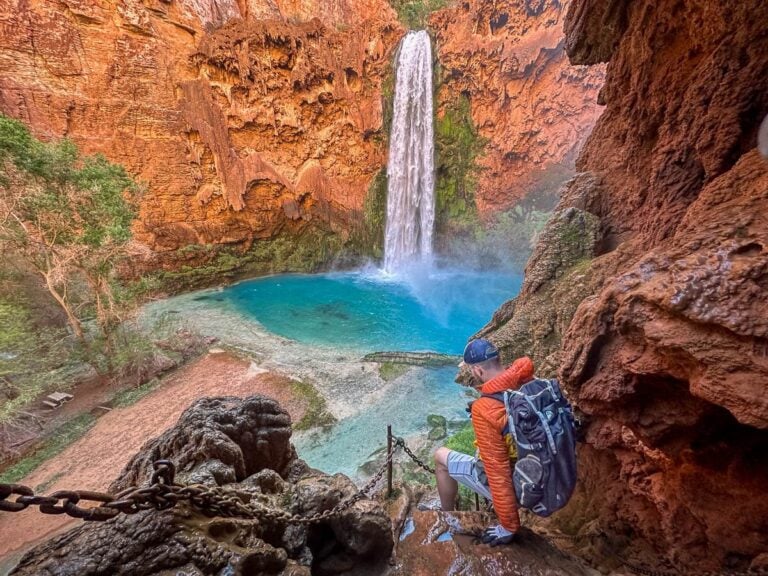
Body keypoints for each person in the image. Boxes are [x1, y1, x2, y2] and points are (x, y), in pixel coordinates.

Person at [434, 338, 534, 546]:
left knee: (440, 458)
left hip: (517, 485)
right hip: (541, 473)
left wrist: (509, 526)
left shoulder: (485, 409)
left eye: (471, 370)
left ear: (478, 370)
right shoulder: (528, 381)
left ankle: (446, 515)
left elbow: (497, 471)